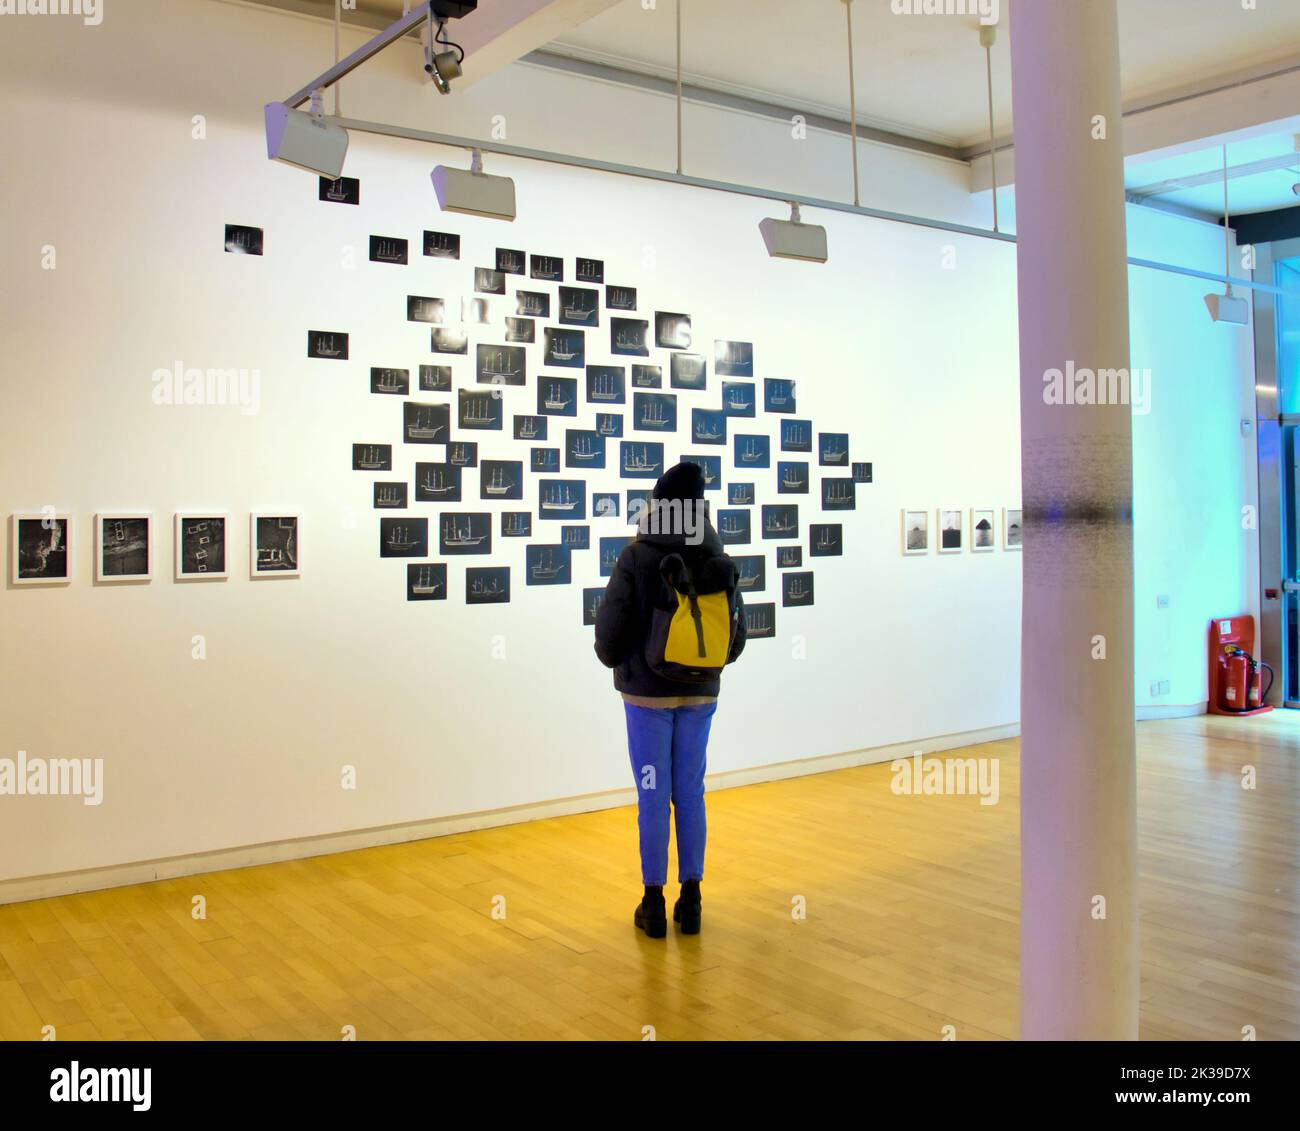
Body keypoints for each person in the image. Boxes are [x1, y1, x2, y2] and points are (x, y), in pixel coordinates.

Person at [594, 462, 746, 937]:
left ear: (658, 503)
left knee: (653, 795)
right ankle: (693, 900)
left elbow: (610, 634)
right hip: (701, 695)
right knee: (691, 793)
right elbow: (735, 640)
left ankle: (653, 902)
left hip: (646, 698)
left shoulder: (637, 556)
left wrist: (615, 660)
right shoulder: (716, 554)